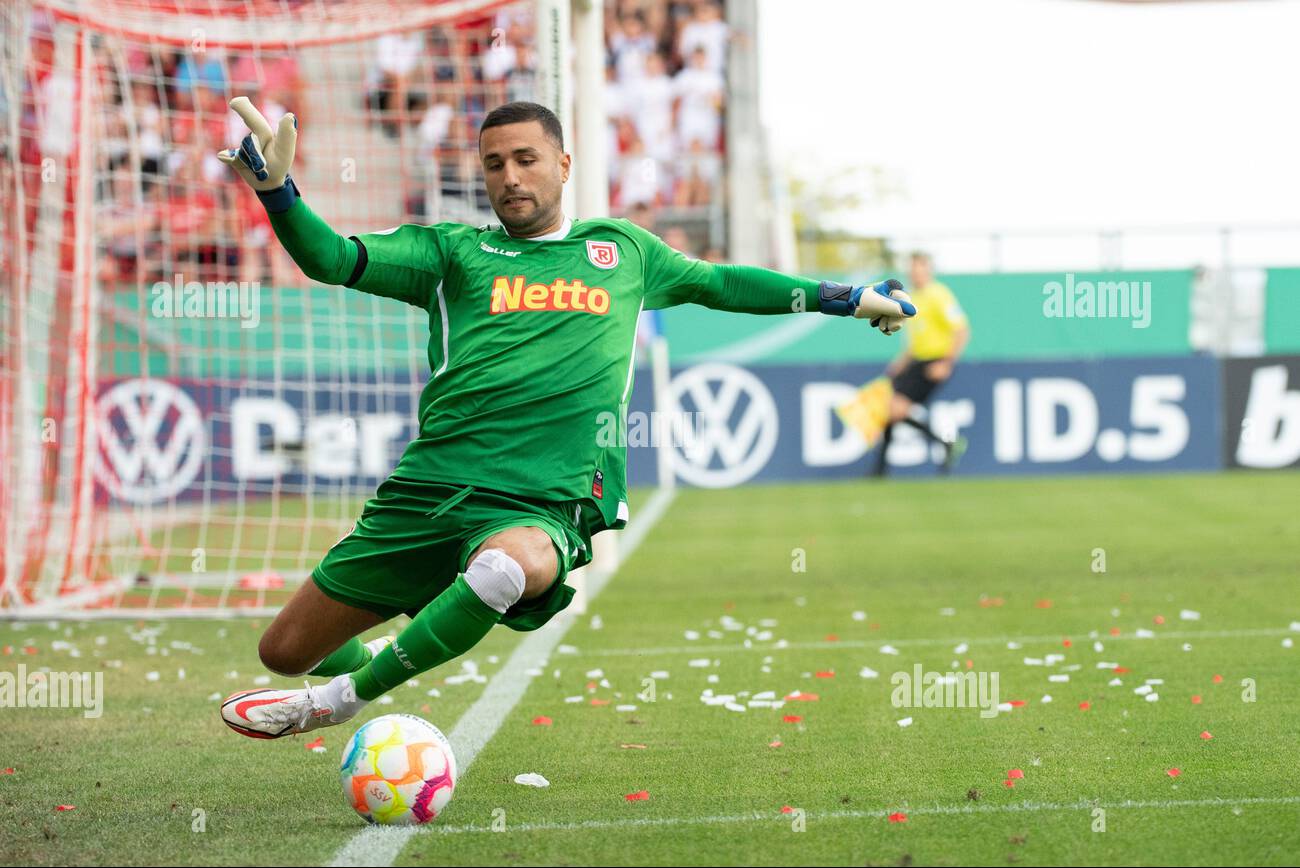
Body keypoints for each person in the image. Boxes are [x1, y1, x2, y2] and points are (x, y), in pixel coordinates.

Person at [215, 98, 915, 738]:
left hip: (543, 500)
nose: (510, 176)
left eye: (526, 159)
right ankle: (376, 650)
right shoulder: (451, 255)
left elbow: (722, 282)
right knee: (282, 651)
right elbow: (332, 258)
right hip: (428, 492)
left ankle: (339, 701)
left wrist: (847, 297)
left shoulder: (625, 252)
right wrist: (278, 194)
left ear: (563, 163)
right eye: (494, 164)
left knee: (502, 568)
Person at [873, 252, 970, 477]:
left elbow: (962, 331)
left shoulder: (939, 294)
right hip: (915, 361)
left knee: (895, 409)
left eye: (919, 268)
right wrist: (900, 363)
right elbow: (915, 340)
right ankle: (880, 470)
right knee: (890, 410)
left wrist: (946, 363)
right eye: (912, 268)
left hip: (934, 362)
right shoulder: (911, 297)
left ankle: (944, 444)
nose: (915, 272)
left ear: (928, 270)